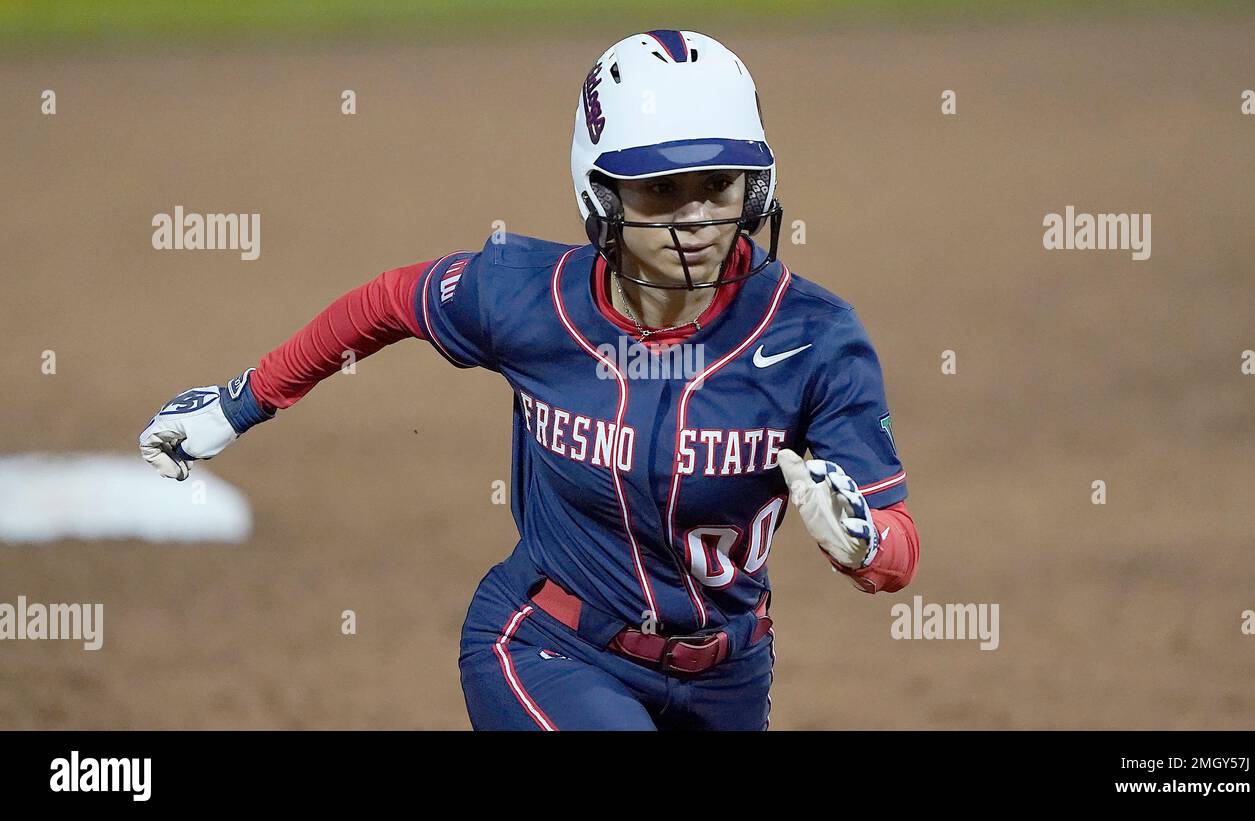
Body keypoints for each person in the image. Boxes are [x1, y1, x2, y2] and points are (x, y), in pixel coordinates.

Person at [139, 30, 919, 730]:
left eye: (717, 186)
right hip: (547, 649)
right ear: (600, 193)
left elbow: (896, 548)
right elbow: (384, 304)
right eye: (659, 191)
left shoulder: (813, 336)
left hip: (731, 679)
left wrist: (861, 543)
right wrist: (242, 402)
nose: (695, 220)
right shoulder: (524, 297)